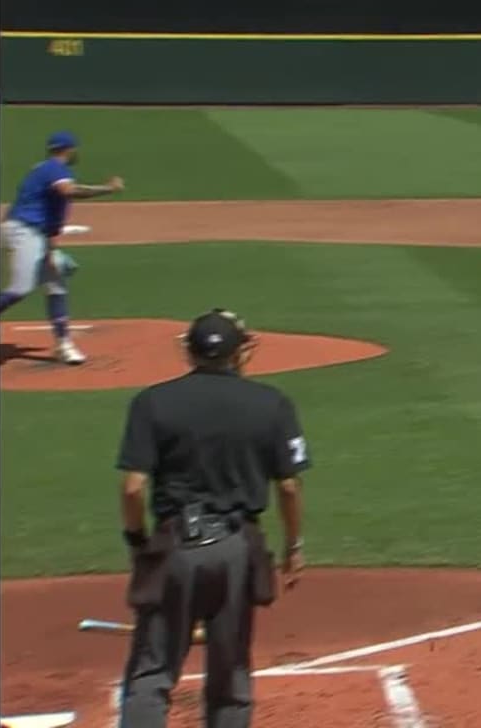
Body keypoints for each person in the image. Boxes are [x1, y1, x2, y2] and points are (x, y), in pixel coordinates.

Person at [116, 309, 311, 728]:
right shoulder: (272, 403)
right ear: (240, 353)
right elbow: (289, 487)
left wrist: (137, 543)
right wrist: (294, 546)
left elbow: (133, 487)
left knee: (151, 676)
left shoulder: (152, 402)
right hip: (238, 551)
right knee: (230, 679)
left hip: (174, 548)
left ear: (188, 352)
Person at [0, 131, 125, 364]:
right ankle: (63, 343)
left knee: (56, 281)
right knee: (20, 288)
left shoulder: (43, 170)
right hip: (25, 230)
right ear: (69, 149)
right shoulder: (55, 169)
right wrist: (108, 189)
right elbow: (70, 191)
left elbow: (49, 216)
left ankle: (63, 344)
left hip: (32, 232)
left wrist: (51, 250)